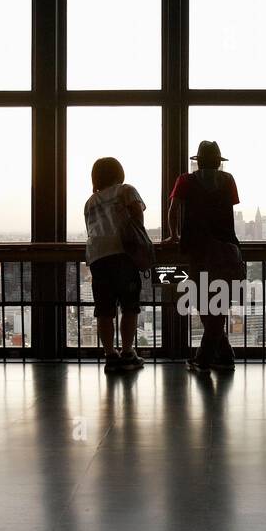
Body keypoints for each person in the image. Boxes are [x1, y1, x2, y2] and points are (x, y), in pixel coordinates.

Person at [168, 140, 242, 372]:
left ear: (197, 161)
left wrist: (174, 235)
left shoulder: (185, 180)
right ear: (219, 162)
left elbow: (173, 209)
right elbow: (230, 209)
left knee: (203, 302)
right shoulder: (228, 180)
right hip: (227, 249)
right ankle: (224, 355)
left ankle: (204, 359)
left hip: (196, 249)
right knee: (219, 303)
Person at [84, 156, 147, 372]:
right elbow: (138, 216)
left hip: (97, 258)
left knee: (104, 310)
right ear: (119, 173)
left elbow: (90, 229)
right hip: (123, 254)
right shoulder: (126, 190)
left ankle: (110, 354)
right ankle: (128, 352)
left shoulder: (90, 202)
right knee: (130, 306)